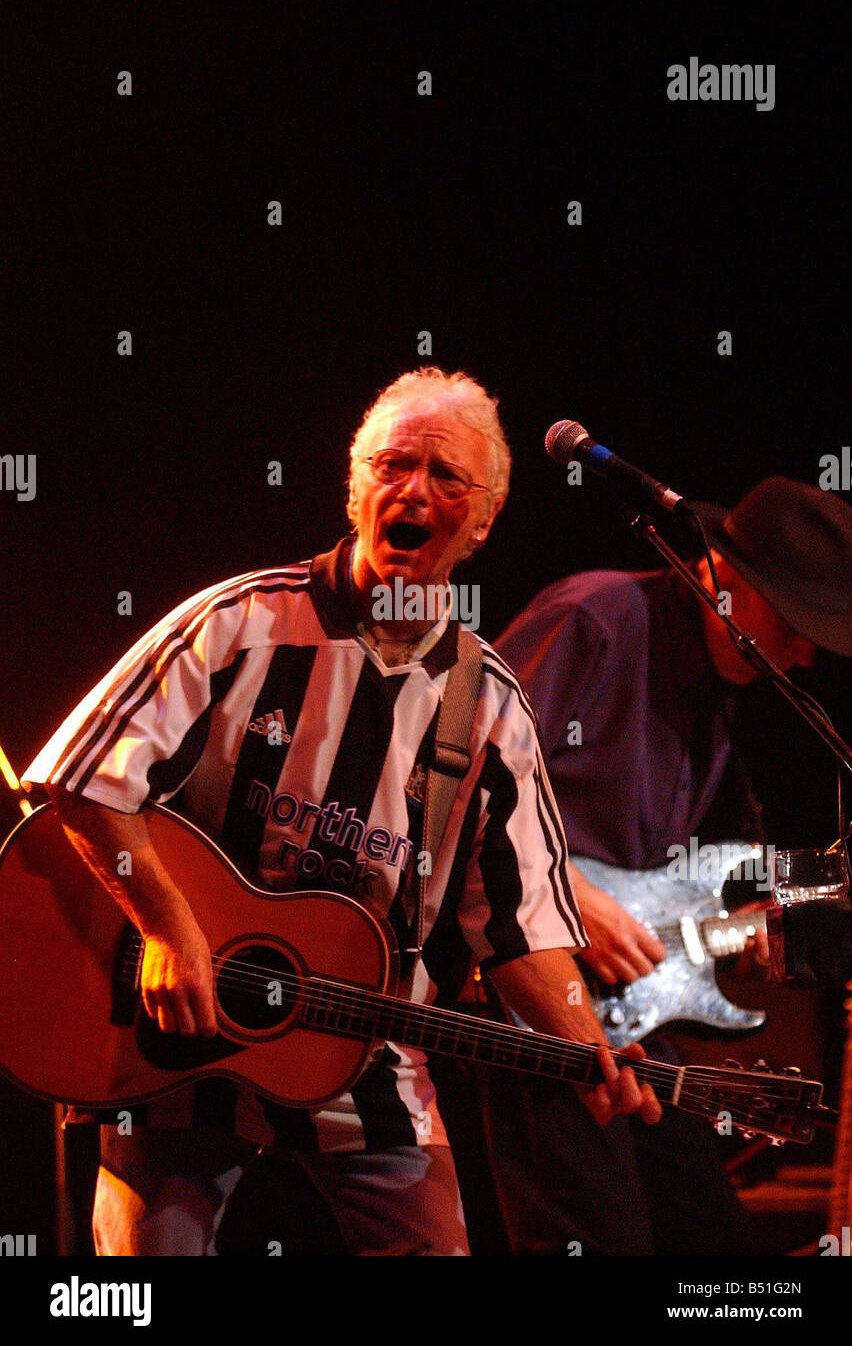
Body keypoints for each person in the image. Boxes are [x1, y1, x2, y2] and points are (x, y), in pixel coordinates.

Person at [23, 366, 659, 1257]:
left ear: (480, 522)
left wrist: (588, 1048)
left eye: (448, 479)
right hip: (168, 1052)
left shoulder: (491, 709)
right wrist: (168, 932)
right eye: (394, 466)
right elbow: (77, 779)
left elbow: (522, 928)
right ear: (356, 488)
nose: (415, 491)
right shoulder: (238, 624)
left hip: (369, 1062)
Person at [447, 476, 852, 1255]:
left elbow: (657, 892)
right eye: (798, 621)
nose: (805, 653)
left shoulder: (720, 700)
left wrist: (755, 937)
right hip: (521, 993)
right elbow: (452, 786)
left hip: (623, 1020)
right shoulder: (593, 619)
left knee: (714, 1246)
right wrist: (563, 892)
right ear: (721, 578)